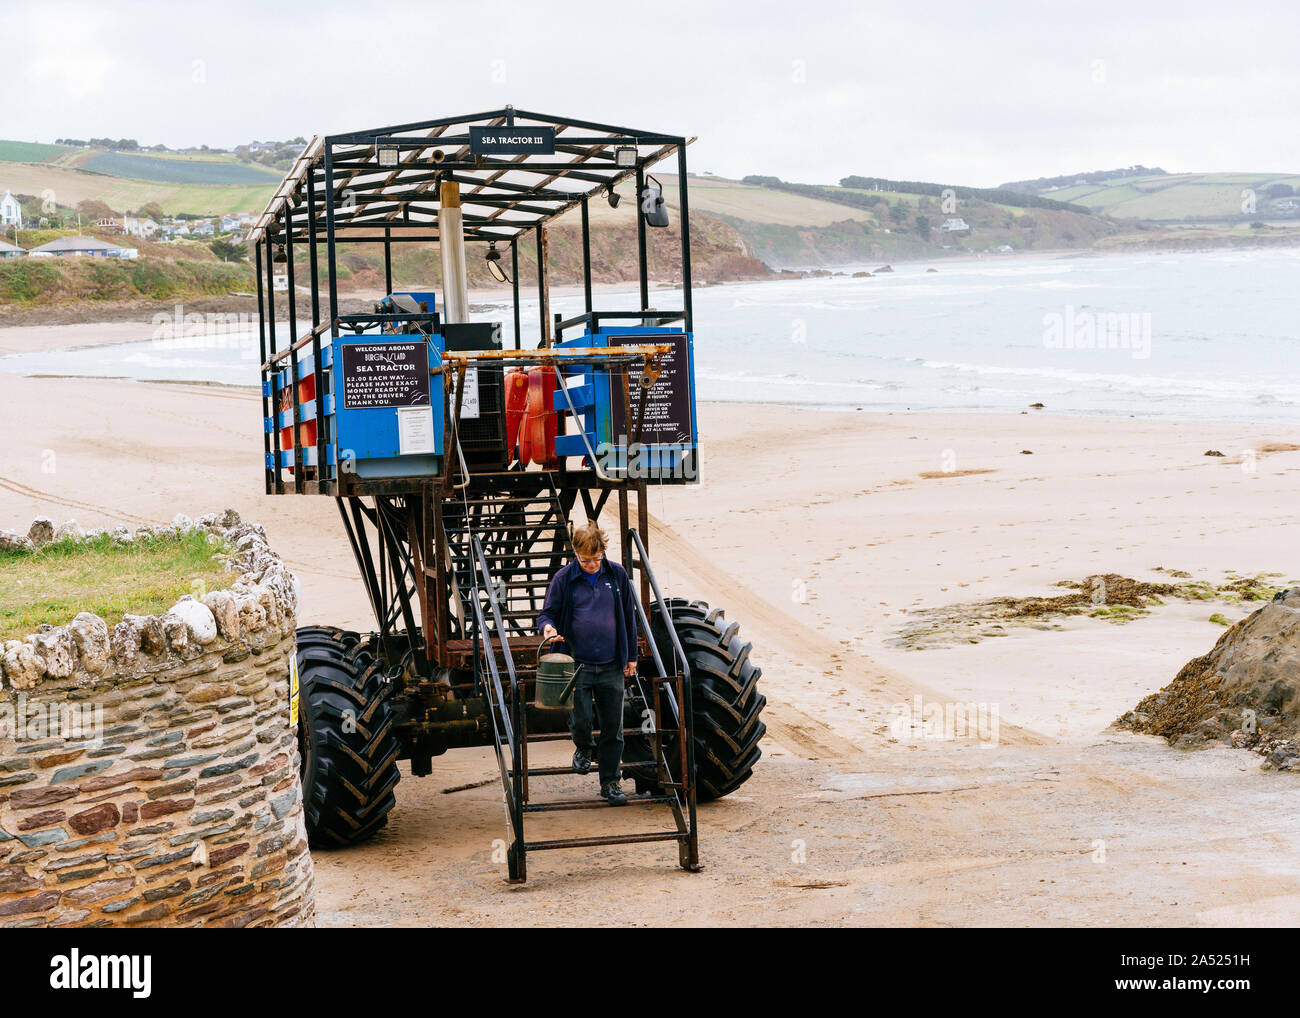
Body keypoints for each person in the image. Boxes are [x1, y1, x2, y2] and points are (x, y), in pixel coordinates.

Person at [536, 521, 638, 806]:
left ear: (603, 552)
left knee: (613, 727)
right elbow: (546, 614)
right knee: (581, 717)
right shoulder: (564, 578)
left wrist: (631, 656)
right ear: (576, 553)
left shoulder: (616, 575)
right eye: (585, 560)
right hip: (576, 664)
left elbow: (628, 618)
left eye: (596, 559)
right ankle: (583, 747)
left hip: (611, 664)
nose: (591, 565)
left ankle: (611, 783)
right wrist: (548, 629)